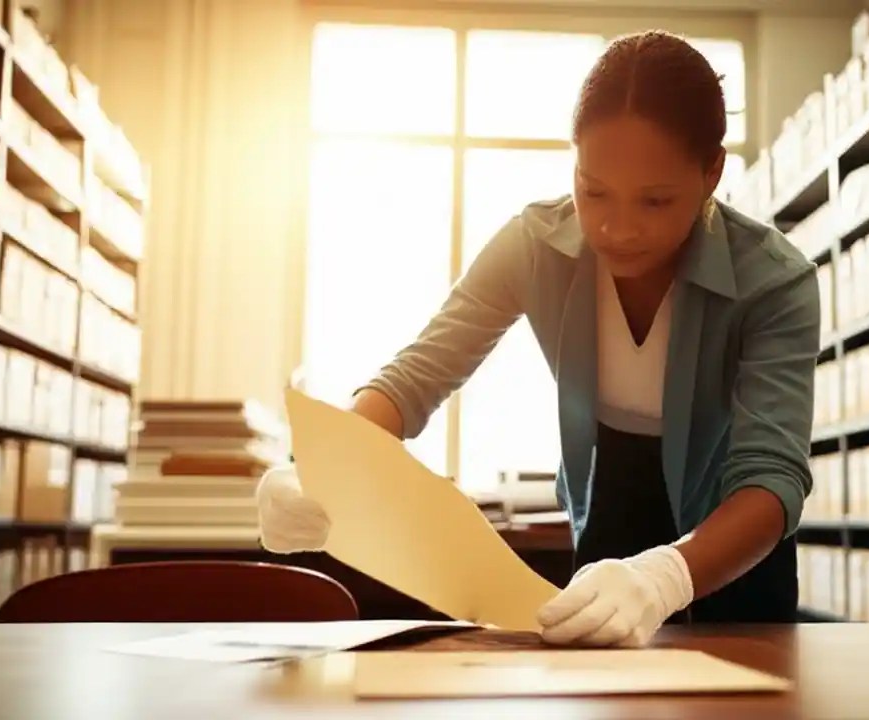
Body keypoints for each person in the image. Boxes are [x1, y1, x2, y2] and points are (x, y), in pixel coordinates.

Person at [259, 29, 819, 648]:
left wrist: (666, 576)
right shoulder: (534, 247)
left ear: (712, 172)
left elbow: (771, 477)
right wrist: (315, 466)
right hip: (606, 541)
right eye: (593, 189)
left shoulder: (774, 283)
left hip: (733, 553)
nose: (617, 227)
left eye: (655, 201)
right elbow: (414, 379)